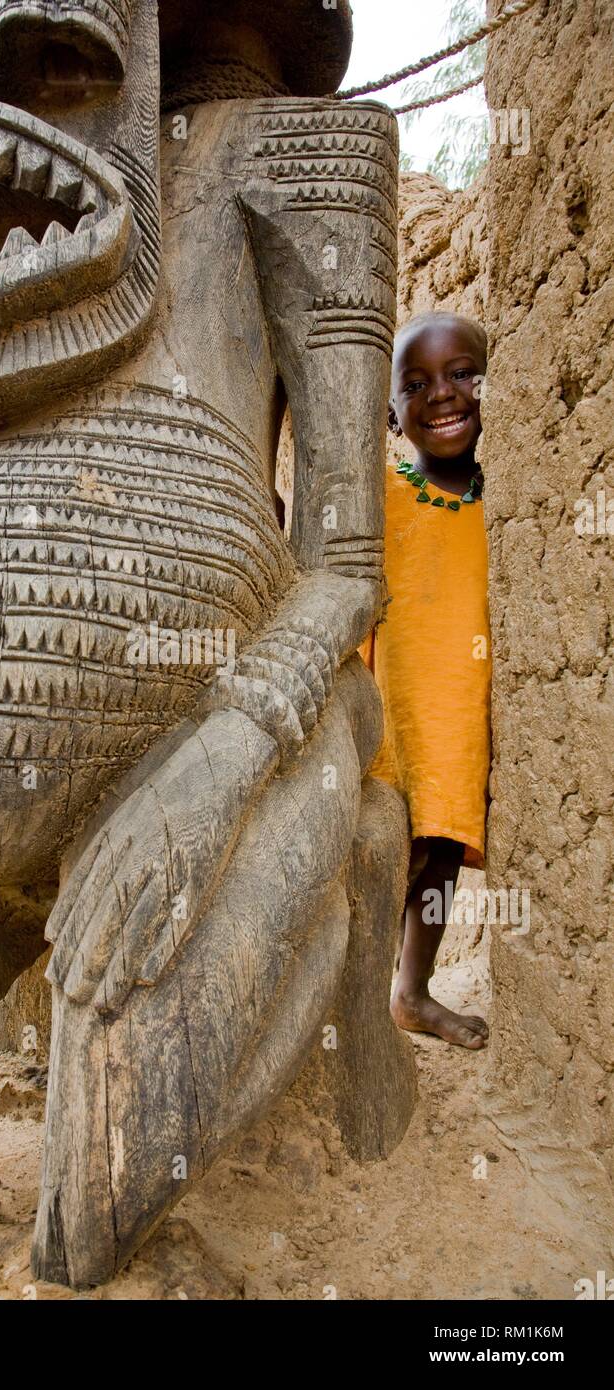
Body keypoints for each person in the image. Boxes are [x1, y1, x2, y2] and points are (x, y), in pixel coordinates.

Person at [361, 311, 492, 1049]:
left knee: (441, 851)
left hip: (460, 716)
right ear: (391, 414)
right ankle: (359, 997)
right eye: (415, 385)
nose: (441, 394)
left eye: (462, 373)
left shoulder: (507, 500)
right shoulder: (386, 494)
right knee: (386, 854)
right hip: (395, 712)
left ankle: (412, 993)